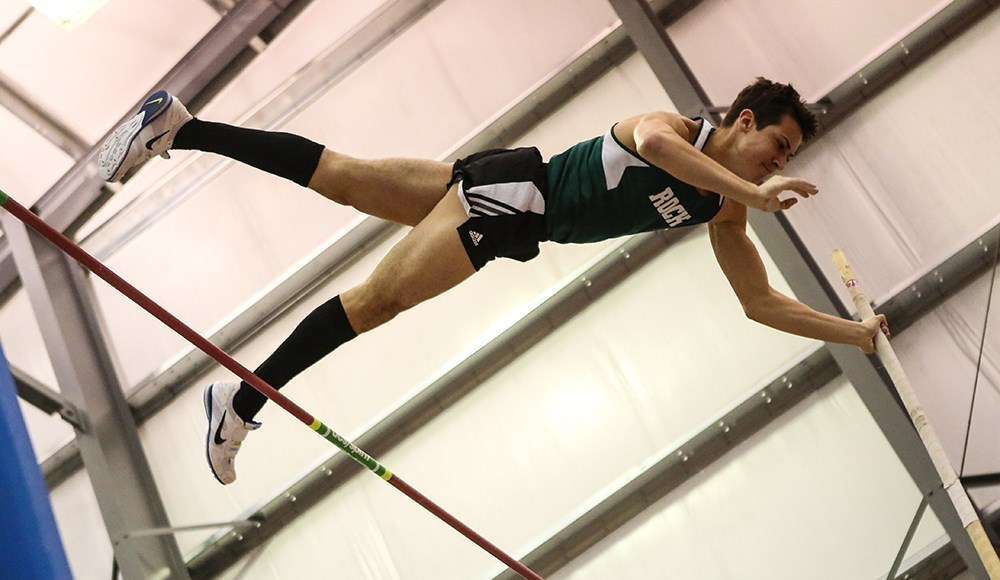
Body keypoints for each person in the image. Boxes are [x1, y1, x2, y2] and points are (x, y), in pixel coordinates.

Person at [98, 78, 889, 485]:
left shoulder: (722, 210)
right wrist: (754, 193)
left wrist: (852, 333)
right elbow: (650, 141)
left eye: (786, 161)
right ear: (745, 122)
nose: (778, 164)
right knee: (376, 302)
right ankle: (238, 399)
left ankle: (182, 127)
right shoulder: (682, 129)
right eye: (778, 148)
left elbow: (759, 303)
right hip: (517, 203)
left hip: (510, 194)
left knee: (338, 175)